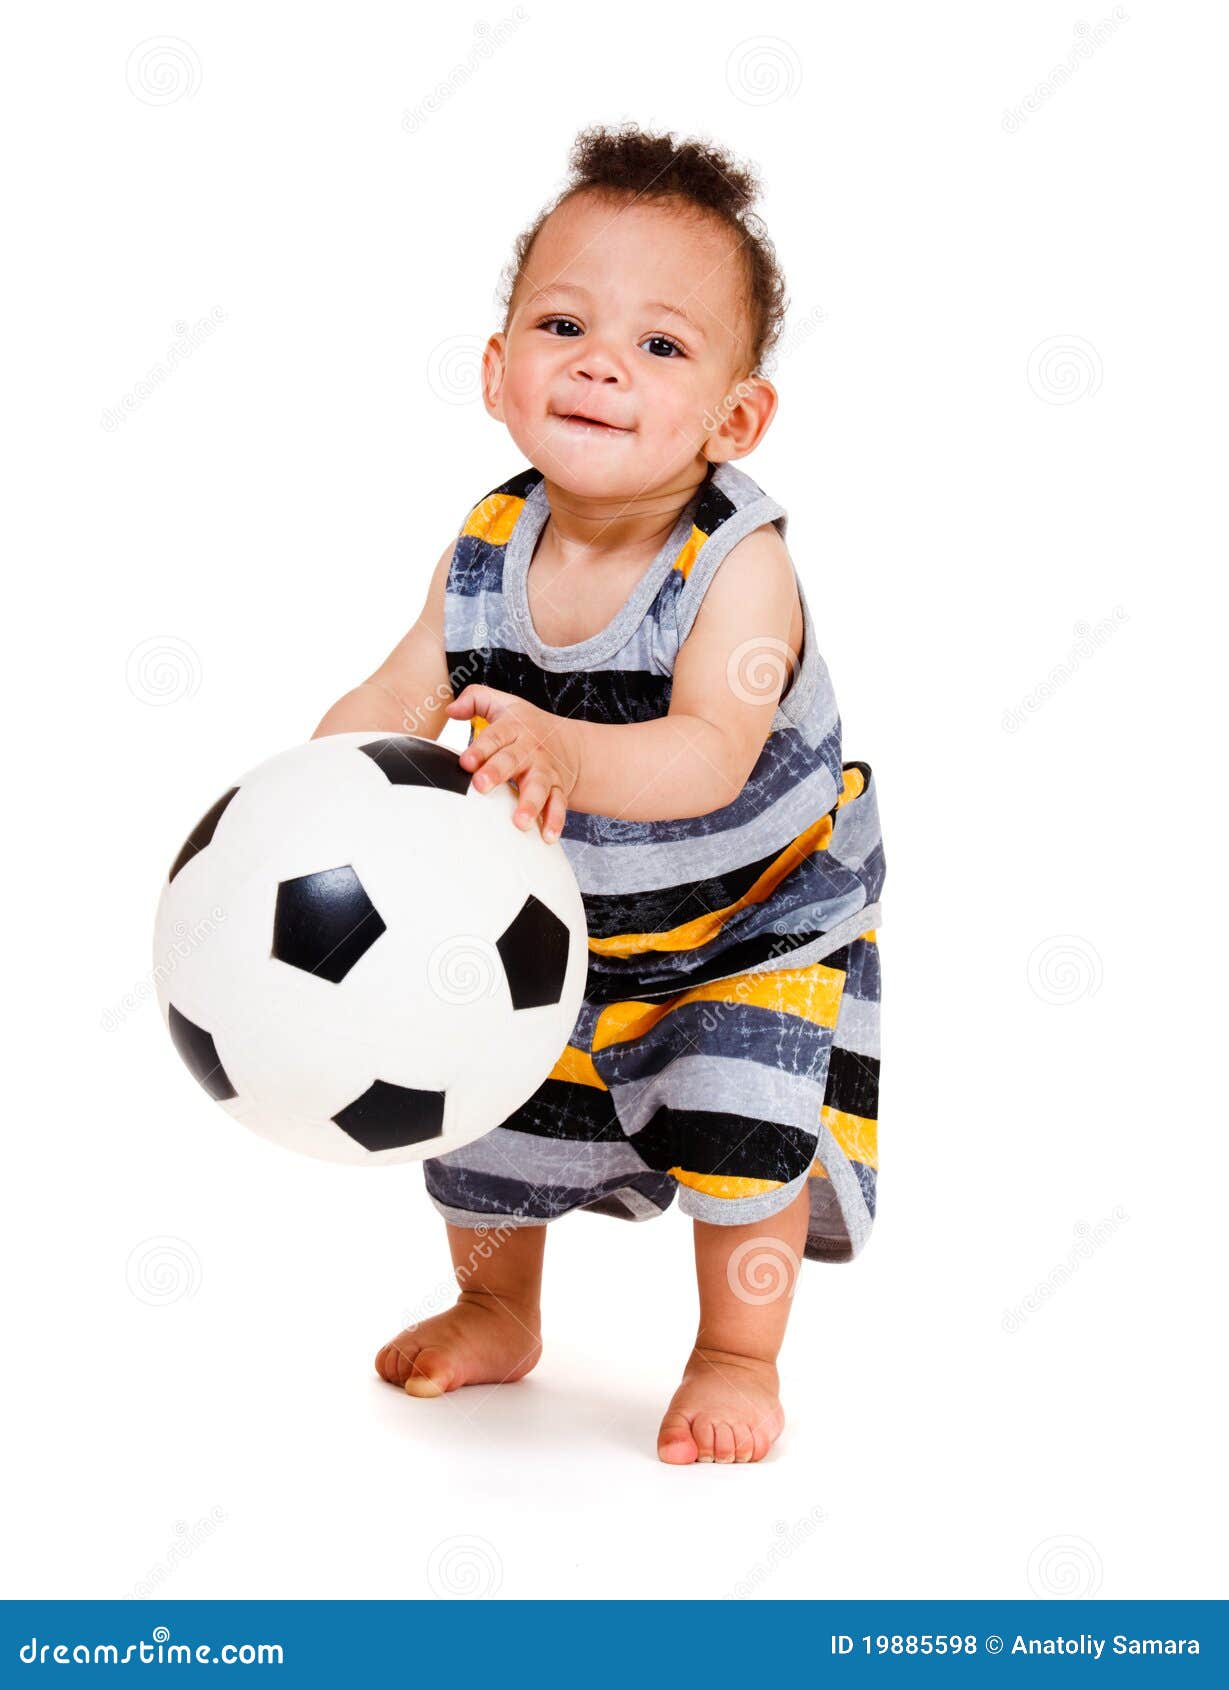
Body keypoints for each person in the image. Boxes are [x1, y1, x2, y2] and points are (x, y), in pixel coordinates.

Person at [313, 124, 885, 1464]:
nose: (600, 363)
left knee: (746, 1126)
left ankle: (736, 1353)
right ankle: (494, 1302)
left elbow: (708, 751)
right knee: (484, 1104)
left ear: (734, 419)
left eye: (661, 346)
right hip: (569, 915)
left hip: (748, 917)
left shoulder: (736, 565)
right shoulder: (488, 542)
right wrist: (322, 776)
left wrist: (565, 751)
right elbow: (401, 692)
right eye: (561, 322)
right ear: (497, 369)